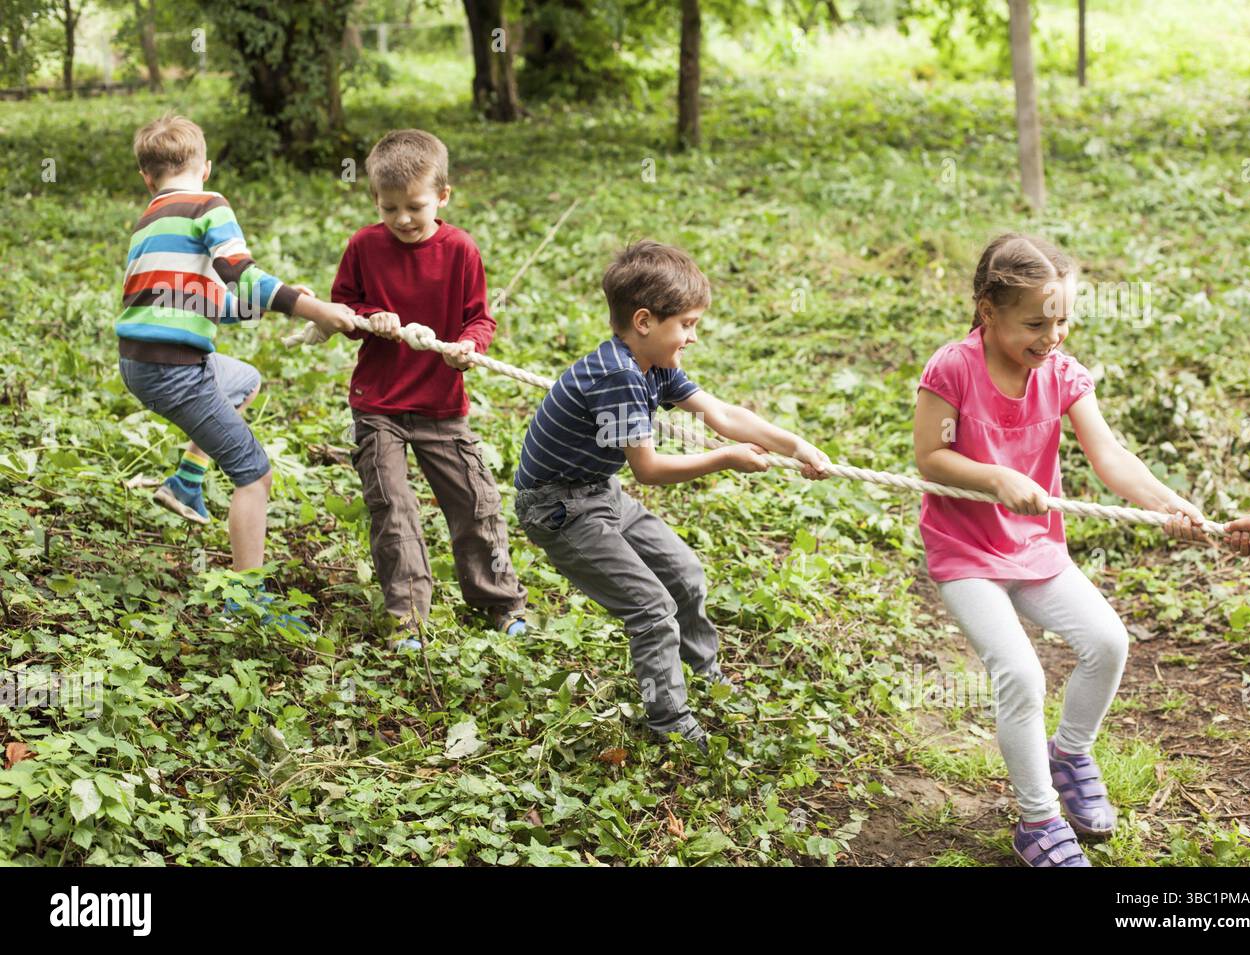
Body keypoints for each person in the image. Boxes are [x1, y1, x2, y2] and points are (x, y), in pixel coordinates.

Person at [912, 233, 1204, 866]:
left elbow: (1108, 456)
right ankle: (1038, 819)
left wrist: (1165, 501)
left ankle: (1069, 755)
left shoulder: (1064, 375)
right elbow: (930, 455)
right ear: (988, 312)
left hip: (1035, 548)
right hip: (965, 550)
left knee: (1108, 642)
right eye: (1035, 323)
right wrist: (997, 478)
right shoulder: (952, 368)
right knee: (1021, 672)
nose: (1051, 336)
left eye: (1063, 320)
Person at [513, 240, 832, 750]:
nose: (693, 337)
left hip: (599, 491)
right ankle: (671, 722)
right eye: (687, 324)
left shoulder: (652, 363)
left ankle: (702, 672)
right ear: (644, 321)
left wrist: (796, 445)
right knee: (651, 608)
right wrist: (727, 459)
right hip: (559, 508)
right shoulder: (617, 376)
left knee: (684, 572)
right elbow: (651, 469)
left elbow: (722, 414)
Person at [117, 113, 355, 625]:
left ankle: (185, 480)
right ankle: (246, 601)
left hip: (138, 364)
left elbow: (196, 299)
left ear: (146, 177)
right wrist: (315, 310)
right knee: (255, 476)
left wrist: (278, 302)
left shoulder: (149, 223)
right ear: (206, 168)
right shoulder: (209, 205)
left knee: (244, 379)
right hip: (176, 369)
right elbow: (240, 274)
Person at [331, 129, 528, 648]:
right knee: (393, 509)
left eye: (413, 207)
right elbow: (344, 307)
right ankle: (407, 619)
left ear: (442, 197)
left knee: (474, 502)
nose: (400, 219)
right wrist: (371, 318)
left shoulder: (460, 250)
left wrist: (468, 345)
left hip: (441, 404)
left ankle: (500, 603)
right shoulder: (364, 246)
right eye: (387, 207)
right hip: (379, 405)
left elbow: (479, 319)